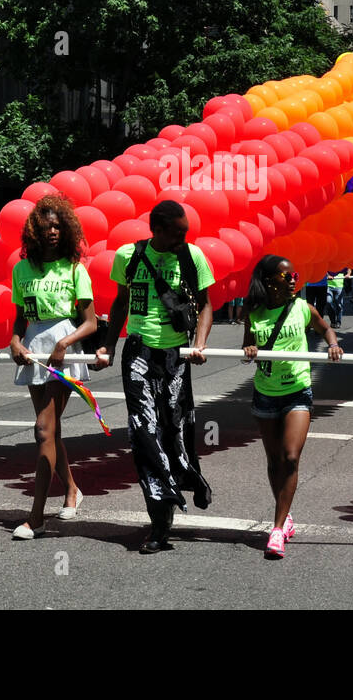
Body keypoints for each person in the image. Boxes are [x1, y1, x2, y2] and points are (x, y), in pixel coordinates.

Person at [96, 200, 215, 554]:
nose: (185, 237)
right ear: (157, 230)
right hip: (138, 354)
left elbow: (207, 303)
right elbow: (120, 302)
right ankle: (160, 519)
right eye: (178, 232)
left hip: (177, 356)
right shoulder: (128, 256)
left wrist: (200, 343)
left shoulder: (192, 257)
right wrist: (108, 347)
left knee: (175, 430)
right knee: (144, 432)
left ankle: (188, 478)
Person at [8, 195, 97, 538]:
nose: (53, 232)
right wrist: (15, 341)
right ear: (35, 230)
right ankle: (72, 489)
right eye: (47, 226)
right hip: (32, 347)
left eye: (59, 226)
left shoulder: (75, 268)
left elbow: (89, 322)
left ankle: (36, 516)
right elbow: (19, 319)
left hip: (63, 347)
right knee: (51, 431)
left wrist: (64, 343)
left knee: (43, 430)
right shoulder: (21, 269)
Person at [242, 255, 342, 558]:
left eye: (294, 275)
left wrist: (333, 344)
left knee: (290, 457)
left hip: (298, 391)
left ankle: (276, 528)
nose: (293, 280)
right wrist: (249, 350)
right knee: (274, 462)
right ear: (269, 280)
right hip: (265, 393)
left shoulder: (302, 307)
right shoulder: (254, 311)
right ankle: (285, 517)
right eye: (286, 277)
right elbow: (248, 347)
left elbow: (325, 329)